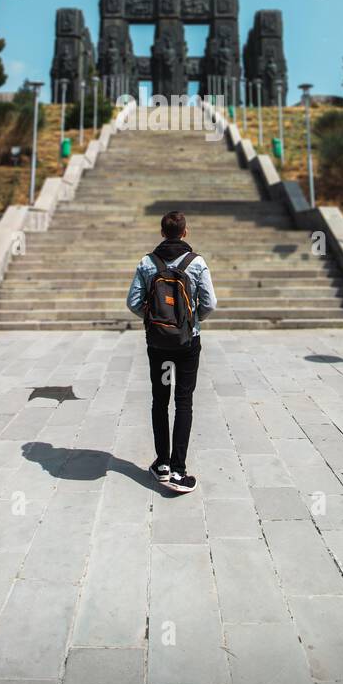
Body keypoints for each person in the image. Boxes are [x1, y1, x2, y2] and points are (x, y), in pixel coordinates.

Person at [126, 210, 217, 494]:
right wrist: (190, 322)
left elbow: (133, 301)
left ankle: (162, 464)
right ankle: (179, 469)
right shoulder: (196, 262)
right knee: (184, 401)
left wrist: (153, 320)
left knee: (160, 400)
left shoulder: (147, 262)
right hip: (188, 344)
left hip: (158, 344)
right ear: (185, 232)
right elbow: (210, 302)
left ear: (162, 232)